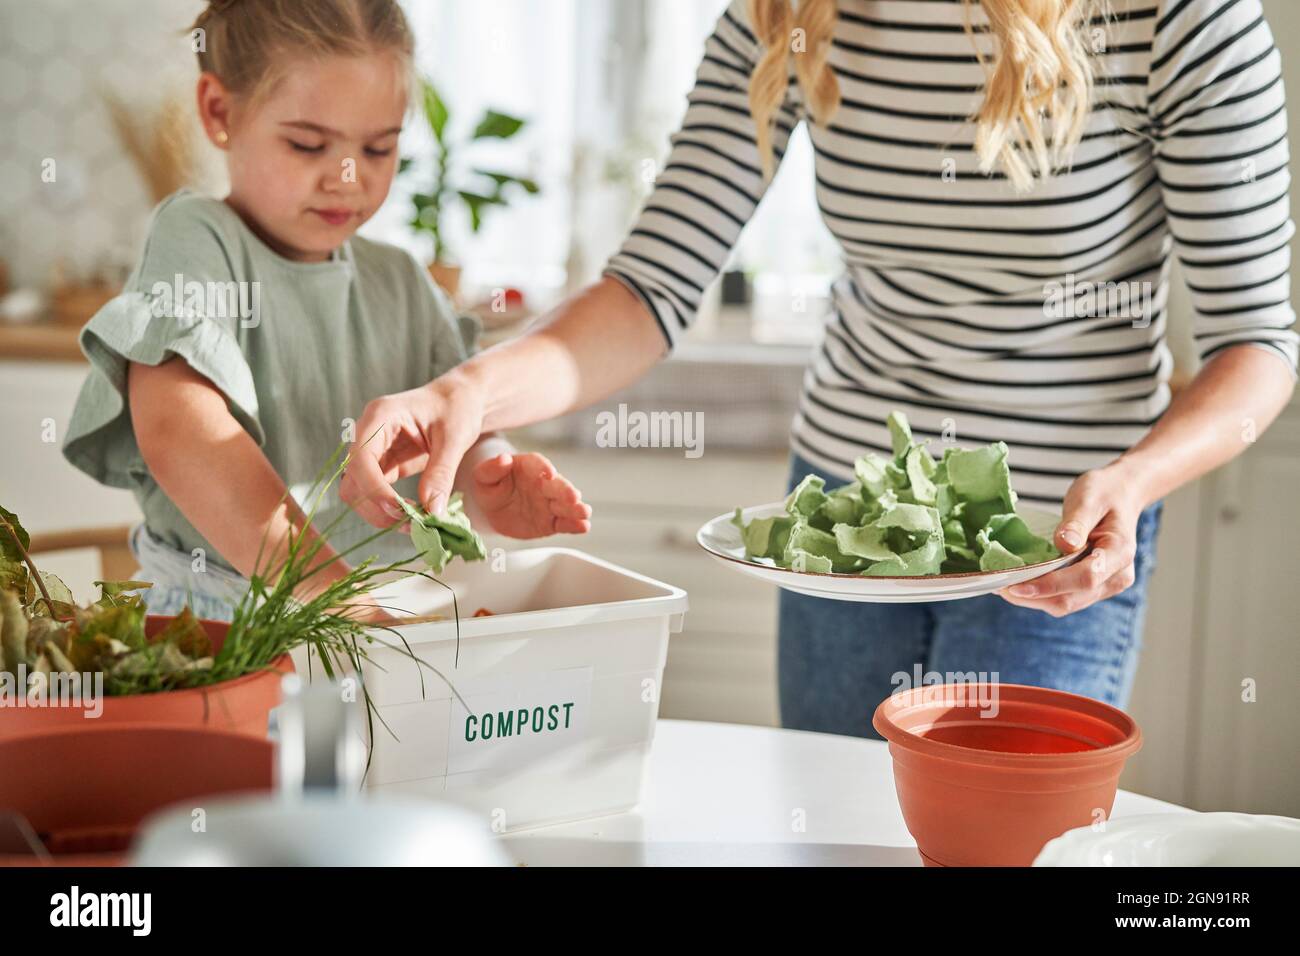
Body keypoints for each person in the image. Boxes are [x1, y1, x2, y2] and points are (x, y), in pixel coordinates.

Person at [341, 0, 1298, 737]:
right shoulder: (792, 14)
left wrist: (1137, 482)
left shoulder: (1180, 20)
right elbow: (651, 288)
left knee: (998, 843)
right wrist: (469, 389)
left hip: (1059, 535)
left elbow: (1259, 341)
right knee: (841, 827)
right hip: (844, 518)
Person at [61, 0, 591, 623]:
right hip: (223, 627)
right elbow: (180, 430)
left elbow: (451, 428)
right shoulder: (197, 238)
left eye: (377, 149)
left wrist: (485, 483)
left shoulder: (400, 279)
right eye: (308, 144)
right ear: (218, 112)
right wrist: (329, 594)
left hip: (391, 623)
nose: (347, 179)